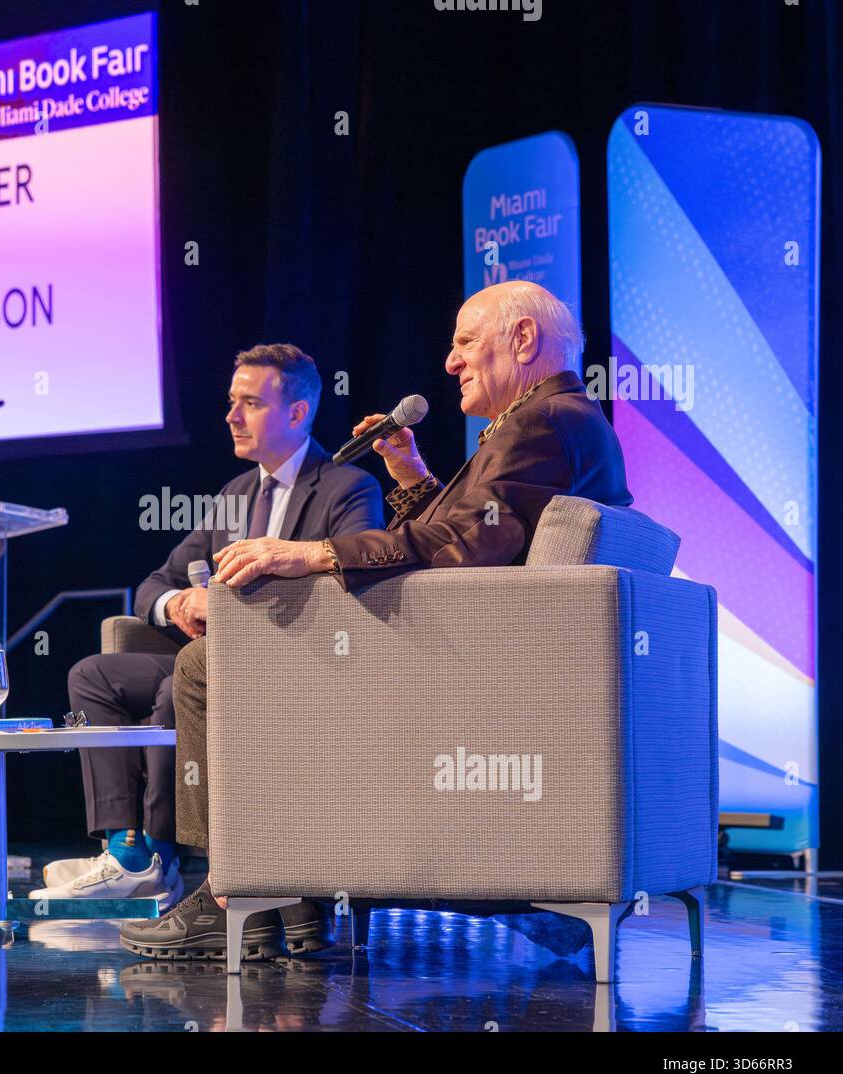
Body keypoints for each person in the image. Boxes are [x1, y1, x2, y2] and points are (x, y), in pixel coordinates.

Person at [119, 280, 633, 959]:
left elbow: (464, 553)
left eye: (466, 342)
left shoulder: (542, 422)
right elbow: (473, 535)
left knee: (207, 663)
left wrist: (312, 552)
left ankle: (234, 893)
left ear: (524, 339)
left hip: (459, 668)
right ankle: (283, 896)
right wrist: (413, 476)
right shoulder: (557, 418)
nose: (450, 362)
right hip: (475, 650)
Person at [32, 344, 384, 908]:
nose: (231, 416)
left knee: (182, 682)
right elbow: (153, 583)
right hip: (214, 662)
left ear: (297, 413)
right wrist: (177, 604)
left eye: (250, 403)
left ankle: (156, 854)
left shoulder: (348, 487)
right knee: (93, 675)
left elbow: (352, 581)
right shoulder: (234, 495)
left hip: (295, 665)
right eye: (230, 402)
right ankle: (127, 846)